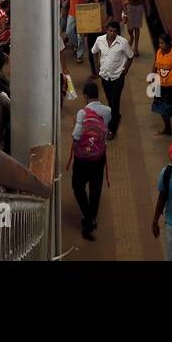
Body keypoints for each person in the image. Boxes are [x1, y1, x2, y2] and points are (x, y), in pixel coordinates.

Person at [70, 80, 110, 241]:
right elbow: (105, 131)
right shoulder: (107, 111)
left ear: (85, 96)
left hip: (82, 159)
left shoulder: (82, 113)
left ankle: (88, 217)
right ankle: (91, 218)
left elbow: (76, 135)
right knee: (95, 188)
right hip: (99, 156)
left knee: (77, 186)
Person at [93, 21, 134, 138]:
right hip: (105, 77)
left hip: (117, 78)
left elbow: (130, 56)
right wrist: (96, 66)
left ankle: (112, 128)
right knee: (110, 101)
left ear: (117, 32)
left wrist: (125, 71)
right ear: (106, 30)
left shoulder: (123, 43)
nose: (112, 33)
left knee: (115, 103)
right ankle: (116, 116)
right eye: (110, 31)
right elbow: (94, 52)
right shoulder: (99, 40)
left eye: (114, 31)